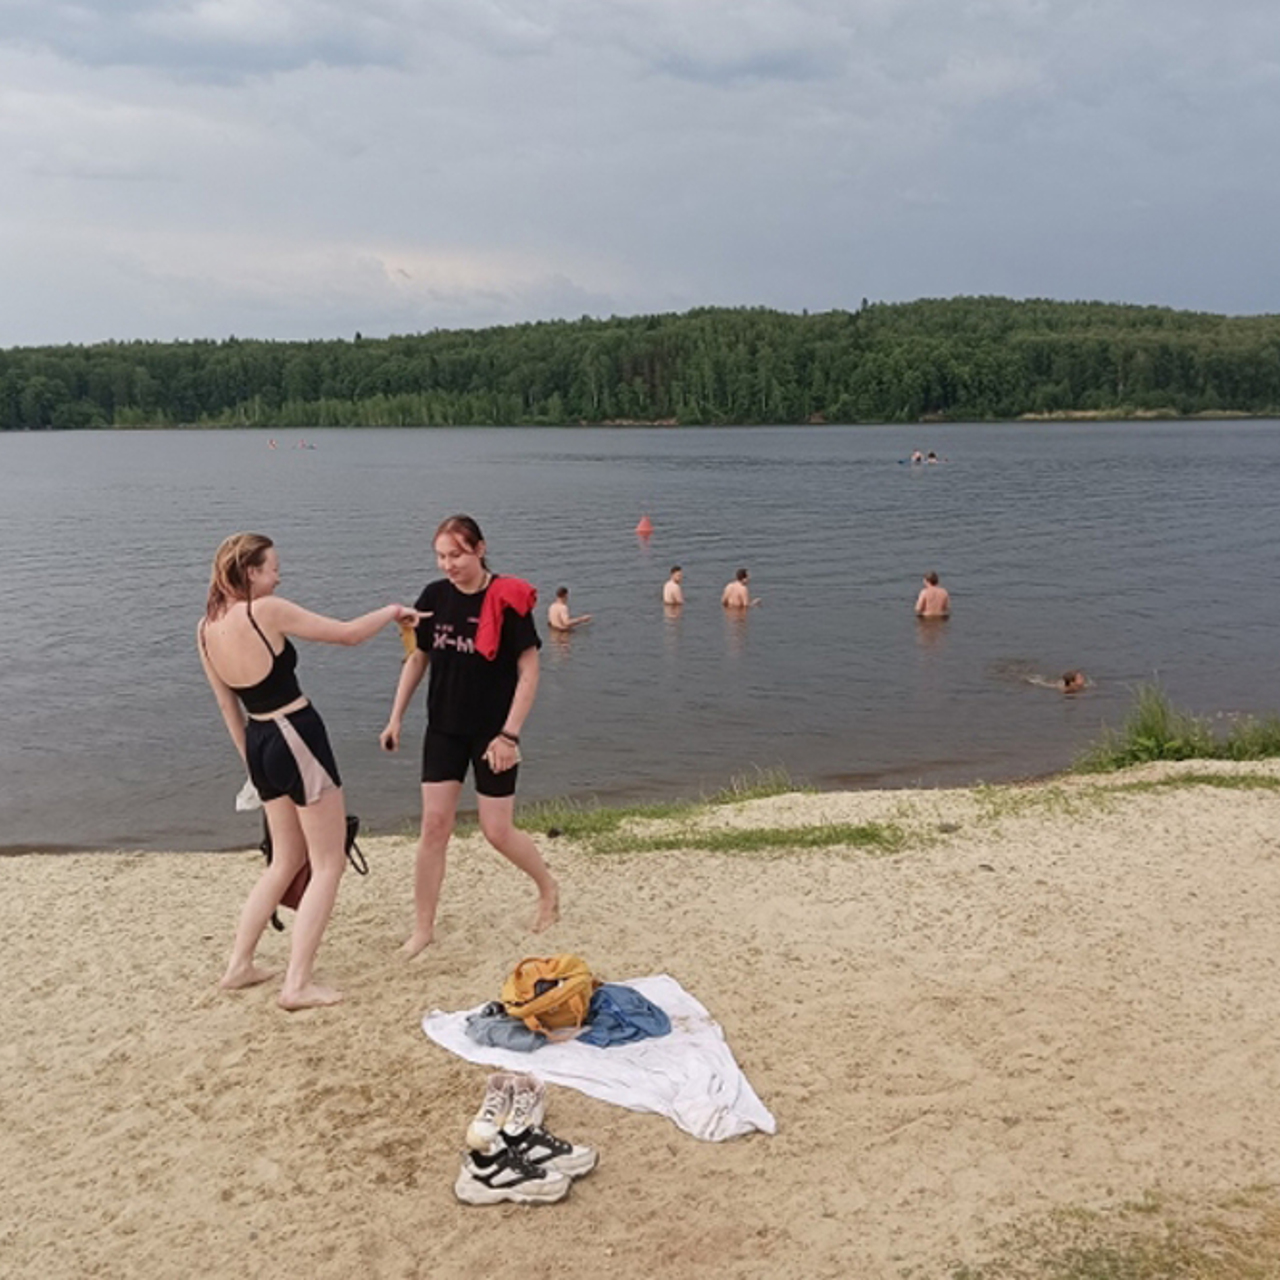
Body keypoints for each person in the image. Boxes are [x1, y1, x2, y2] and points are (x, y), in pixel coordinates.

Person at [198, 533, 416, 1010]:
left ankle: (239, 965)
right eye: (273, 567)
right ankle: (296, 985)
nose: (279, 575)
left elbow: (226, 706)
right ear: (251, 573)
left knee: (284, 860)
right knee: (328, 861)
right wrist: (393, 610)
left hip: (258, 740)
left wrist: (254, 770)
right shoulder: (265, 610)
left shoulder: (206, 627)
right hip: (296, 734)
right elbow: (348, 634)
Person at [381, 515, 559, 958]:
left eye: (456, 555)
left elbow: (529, 671)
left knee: (496, 831)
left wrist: (509, 735)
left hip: (493, 733)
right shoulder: (434, 597)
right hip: (443, 728)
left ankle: (547, 887)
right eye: (441, 556)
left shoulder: (508, 599)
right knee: (433, 827)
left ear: (480, 549)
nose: (448, 565)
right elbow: (418, 658)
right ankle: (423, 928)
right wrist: (395, 717)